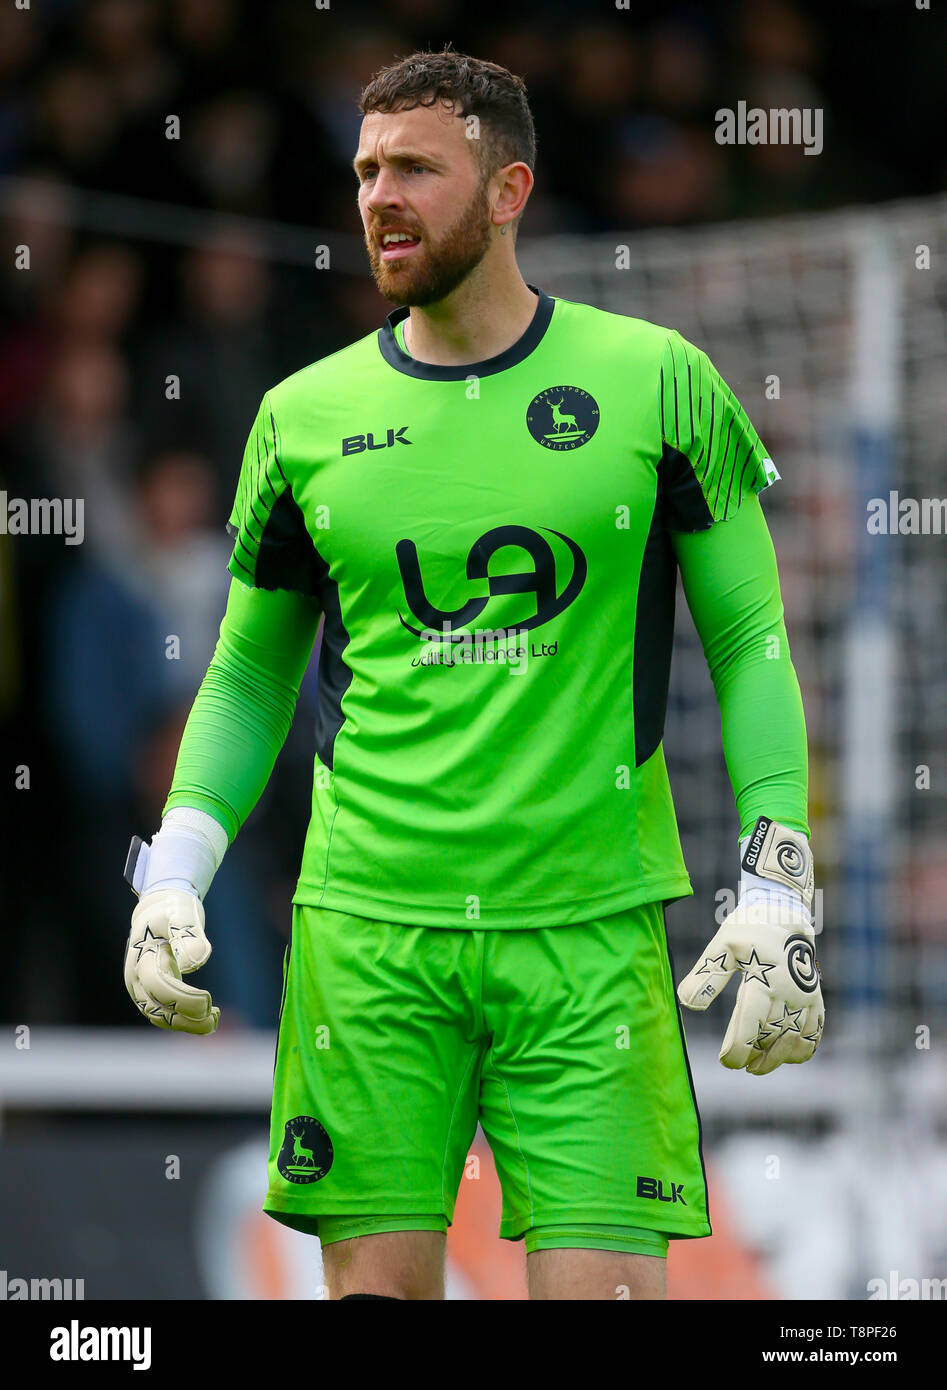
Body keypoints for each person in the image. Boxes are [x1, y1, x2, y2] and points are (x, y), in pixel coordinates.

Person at [122, 47, 824, 1301]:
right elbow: (243, 677)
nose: (378, 197)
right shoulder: (300, 416)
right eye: (364, 170)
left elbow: (750, 643)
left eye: (414, 169)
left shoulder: (655, 383)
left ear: (507, 190)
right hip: (369, 933)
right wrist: (176, 861)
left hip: (588, 934)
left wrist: (779, 869)